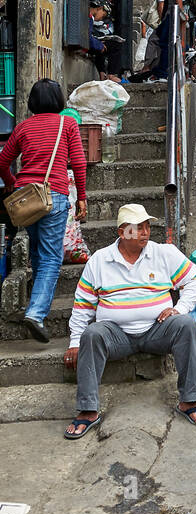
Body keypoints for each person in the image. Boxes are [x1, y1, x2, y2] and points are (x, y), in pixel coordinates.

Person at [63, 203, 196, 437]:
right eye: (138, 228)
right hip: (116, 335)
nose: (145, 233)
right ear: (122, 232)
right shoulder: (99, 260)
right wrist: (74, 342)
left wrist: (179, 308)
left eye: (147, 227)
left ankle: (189, 401)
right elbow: (82, 306)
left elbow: (195, 279)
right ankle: (88, 409)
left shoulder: (163, 253)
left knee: (186, 324)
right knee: (92, 333)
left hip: (157, 330)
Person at [0, 79, 87, 342]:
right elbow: (80, 162)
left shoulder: (23, 127)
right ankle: (36, 314)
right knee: (50, 257)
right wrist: (82, 196)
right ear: (59, 100)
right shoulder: (67, 123)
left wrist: (15, 185)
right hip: (54, 196)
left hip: (27, 199)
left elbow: (3, 161)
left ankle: (36, 308)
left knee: (37, 255)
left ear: (33, 102)